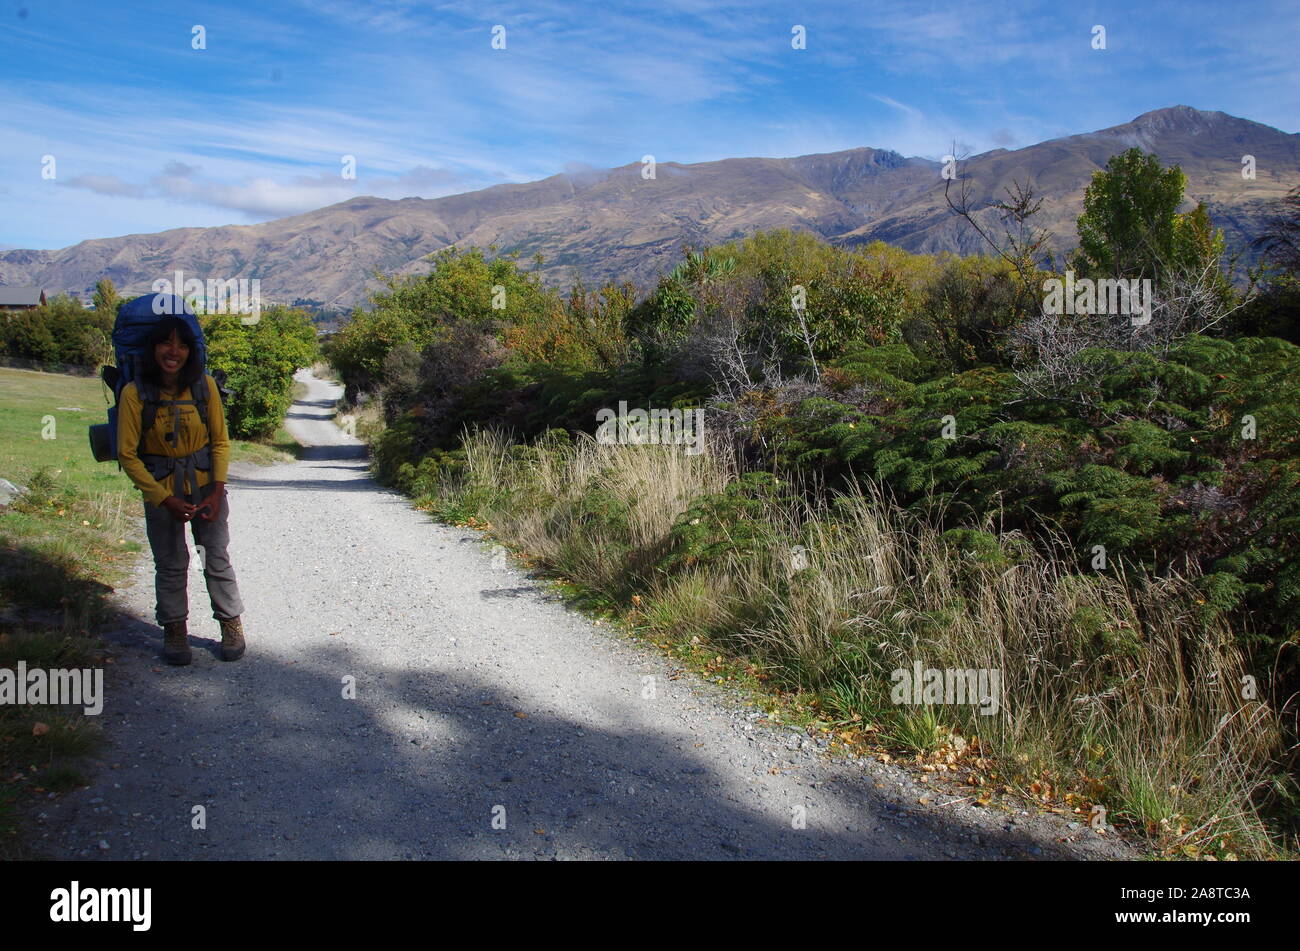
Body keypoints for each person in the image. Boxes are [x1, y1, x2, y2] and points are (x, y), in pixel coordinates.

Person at [116, 315, 247, 665]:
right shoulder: (134, 394)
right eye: (166, 343)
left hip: (206, 487)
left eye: (182, 345)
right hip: (161, 490)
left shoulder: (204, 387)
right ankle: (174, 630)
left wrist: (217, 492)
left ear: (191, 351)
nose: (174, 351)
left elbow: (220, 442)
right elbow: (127, 454)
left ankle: (231, 624)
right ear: (152, 348)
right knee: (171, 563)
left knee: (215, 557)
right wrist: (163, 498)